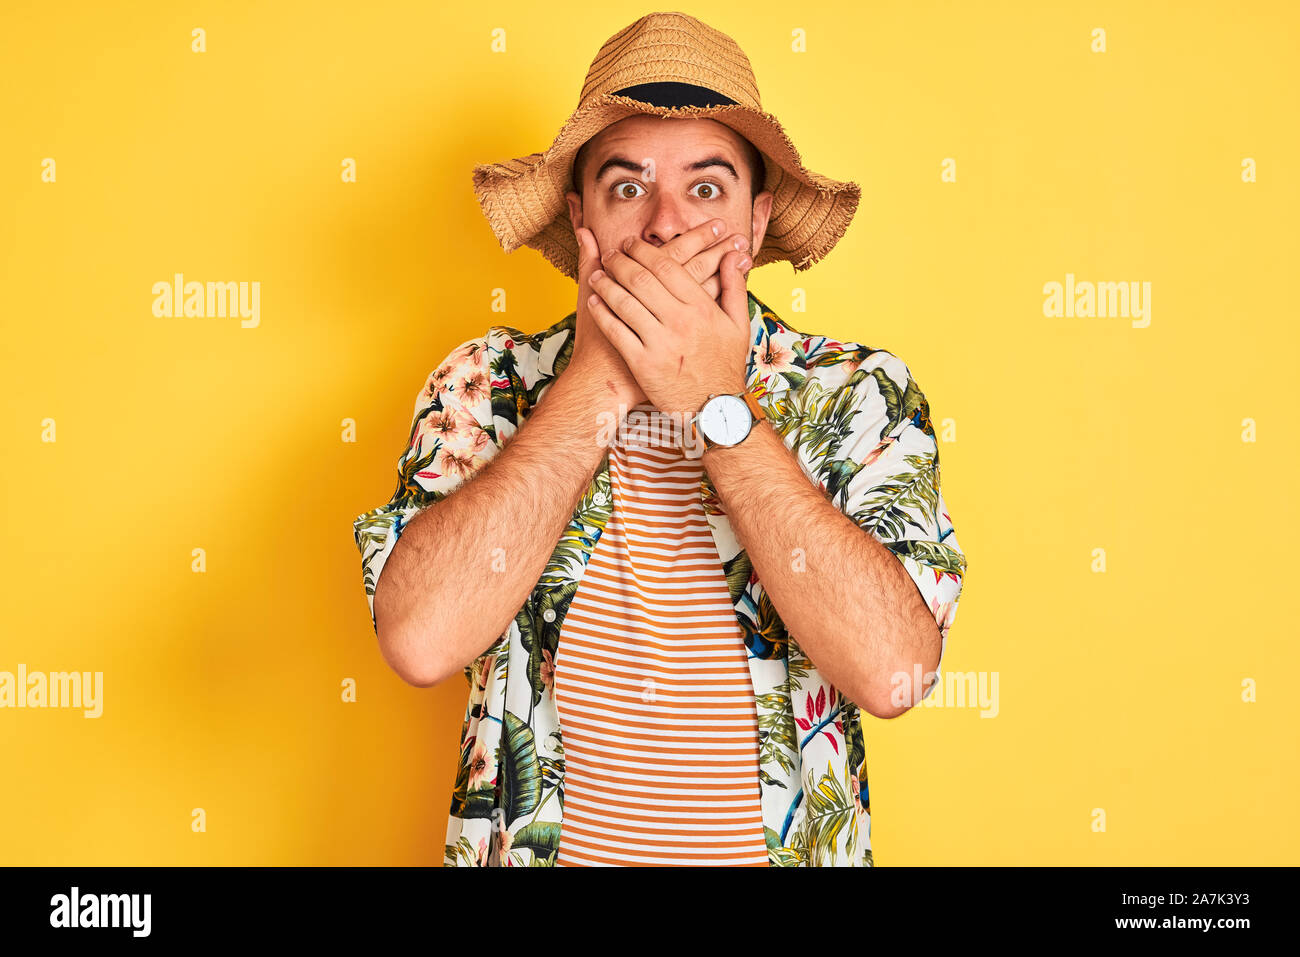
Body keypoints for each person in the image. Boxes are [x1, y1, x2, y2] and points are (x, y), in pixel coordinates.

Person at [352, 11, 966, 867]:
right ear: (582, 221)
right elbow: (417, 639)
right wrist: (602, 382)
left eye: (706, 188)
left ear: (756, 221)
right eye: (629, 187)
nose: (666, 225)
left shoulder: (858, 393)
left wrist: (716, 401)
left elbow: (893, 670)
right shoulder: (487, 385)